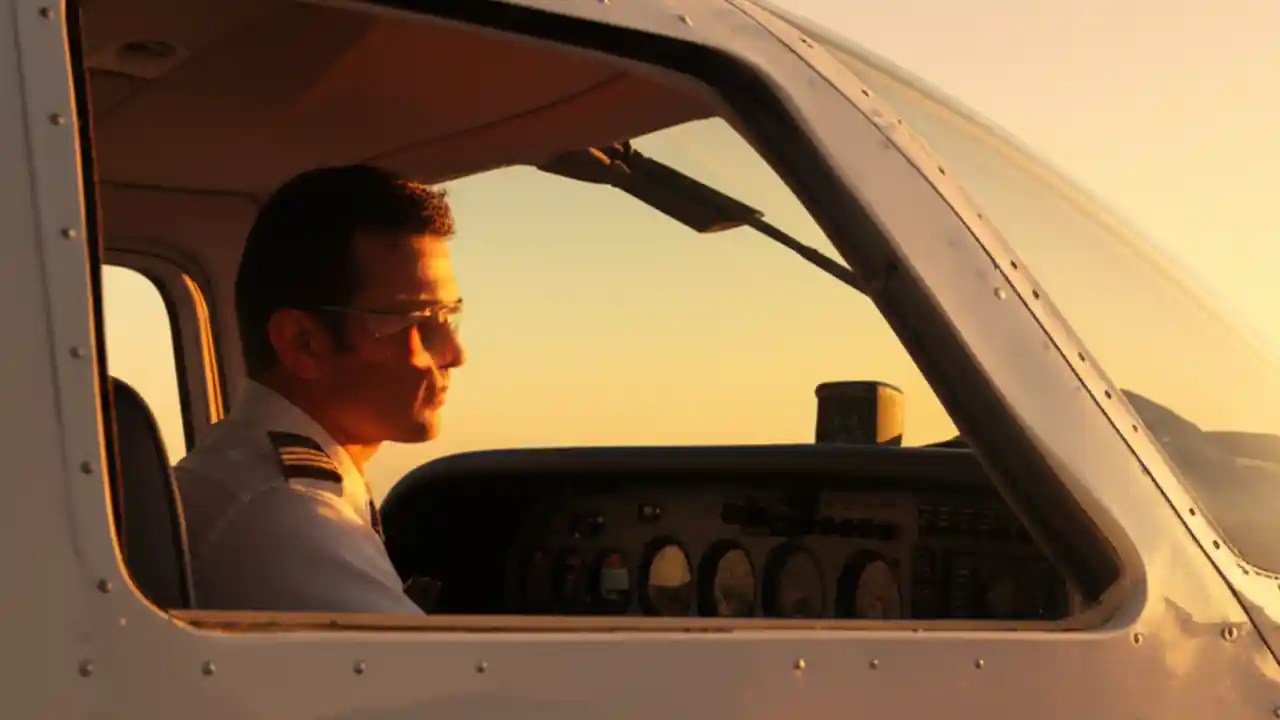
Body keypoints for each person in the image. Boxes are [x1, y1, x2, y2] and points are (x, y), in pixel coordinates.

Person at [174, 165, 465, 613]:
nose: (454, 354)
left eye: (449, 318)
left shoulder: (245, 475)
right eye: (419, 322)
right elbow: (420, 664)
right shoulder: (287, 516)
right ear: (303, 343)